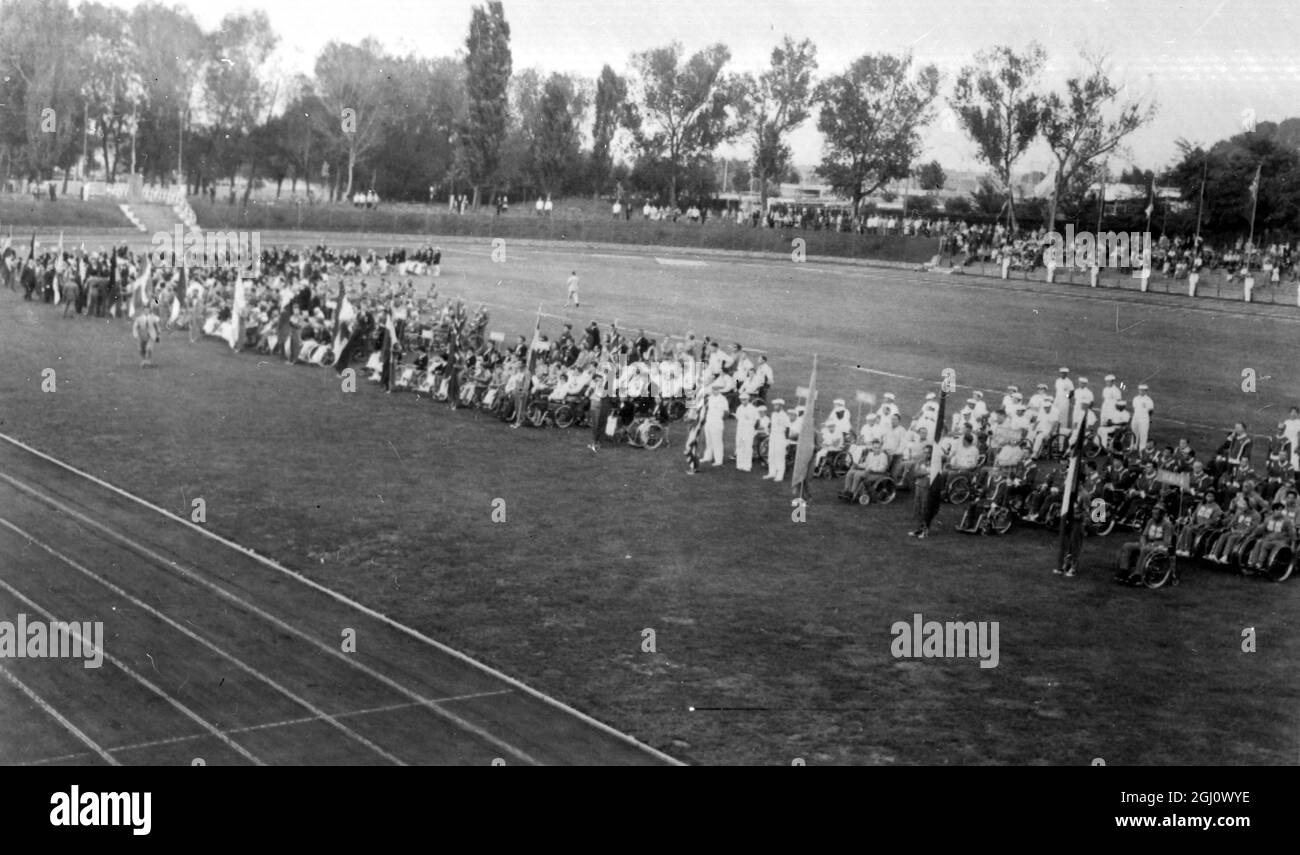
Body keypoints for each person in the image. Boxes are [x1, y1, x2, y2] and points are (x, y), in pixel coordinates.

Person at [1114, 505, 1174, 584]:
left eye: (1156, 513)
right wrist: (1143, 543)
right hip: (1148, 544)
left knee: (1145, 550)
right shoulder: (1150, 521)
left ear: (1161, 514)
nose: (1154, 515)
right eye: (1153, 512)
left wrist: (1152, 545)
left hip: (1160, 547)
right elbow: (1144, 535)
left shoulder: (1167, 525)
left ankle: (1138, 574)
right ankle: (1124, 570)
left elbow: (1167, 542)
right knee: (1127, 546)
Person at [764, 399, 790, 481]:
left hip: (780, 437)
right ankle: (772, 472)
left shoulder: (785, 416)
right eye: (774, 405)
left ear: (781, 406)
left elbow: (788, 428)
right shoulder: (773, 414)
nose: (774, 407)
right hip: (773, 436)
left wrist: (786, 440)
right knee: (771, 454)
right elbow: (771, 425)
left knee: (779, 455)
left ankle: (780, 475)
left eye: (776, 405)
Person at [703, 383, 728, 467]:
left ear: (719, 390)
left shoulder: (723, 399)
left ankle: (719, 460)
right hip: (709, 421)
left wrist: (719, 419)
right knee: (708, 440)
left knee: (717, 442)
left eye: (716, 389)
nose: (715, 391)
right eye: (713, 389)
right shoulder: (709, 398)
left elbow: (726, 412)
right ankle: (708, 457)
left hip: (717, 422)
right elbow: (706, 409)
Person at [734, 393, 760, 472]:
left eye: (745, 400)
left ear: (748, 400)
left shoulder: (752, 409)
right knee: (739, 446)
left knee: (747, 447)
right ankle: (739, 464)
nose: (743, 401)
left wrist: (752, 428)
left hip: (748, 430)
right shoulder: (739, 408)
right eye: (742, 400)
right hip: (740, 430)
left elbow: (757, 421)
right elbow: (738, 418)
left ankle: (747, 465)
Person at [133, 302, 161, 367]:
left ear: (149, 310)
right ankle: (144, 360)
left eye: (148, 310)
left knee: (149, 348)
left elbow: (157, 326)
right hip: (142, 335)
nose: (146, 311)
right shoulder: (139, 319)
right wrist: (136, 335)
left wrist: (158, 334)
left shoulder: (153, 318)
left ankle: (148, 361)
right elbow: (135, 327)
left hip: (151, 335)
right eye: (145, 310)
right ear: (143, 311)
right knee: (141, 349)